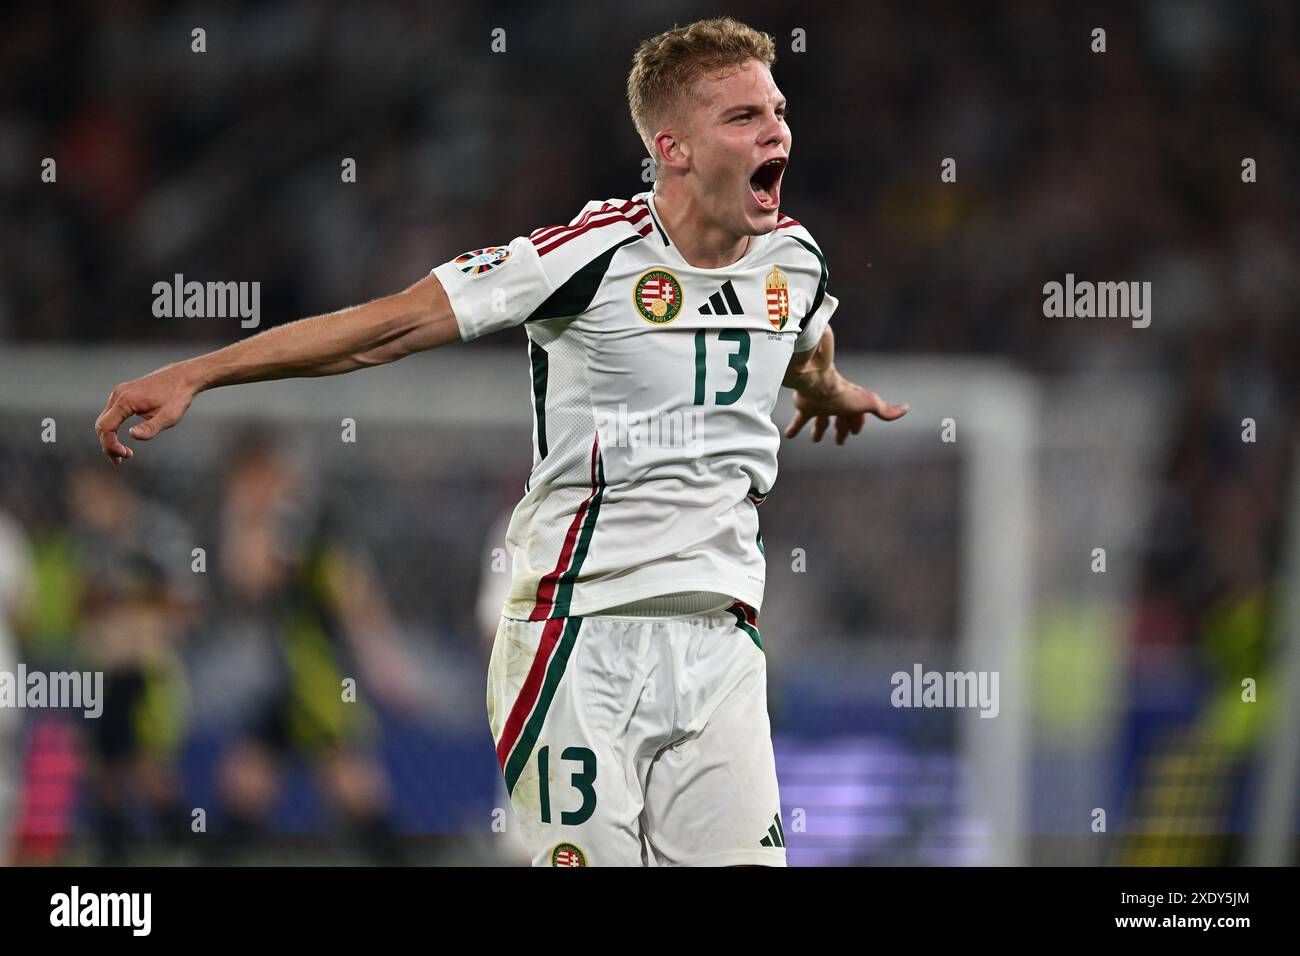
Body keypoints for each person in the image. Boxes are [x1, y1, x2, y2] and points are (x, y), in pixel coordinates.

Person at [94, 17, 907, 866]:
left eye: (776, 108)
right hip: (578, 641)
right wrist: (201, 373)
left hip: (724, 645)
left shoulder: (794, 258)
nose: (775, 128)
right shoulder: (588, 258)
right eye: (743, 117)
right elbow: (388, 327)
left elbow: (807, 337)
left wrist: (828, 389)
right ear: (674, 147)